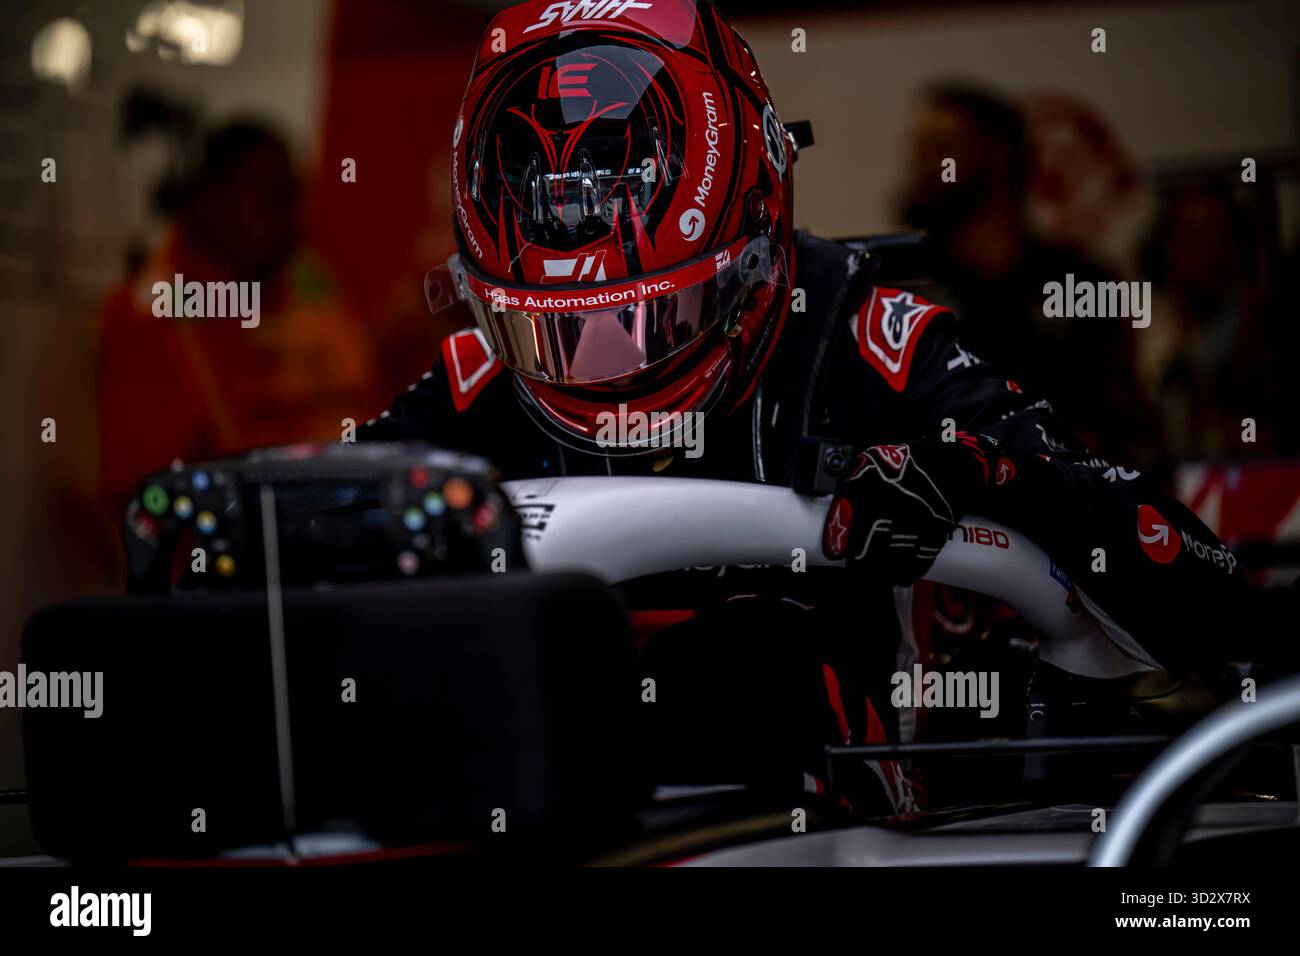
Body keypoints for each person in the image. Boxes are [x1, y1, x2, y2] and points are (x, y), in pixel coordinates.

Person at [361, 0, 1245, 812]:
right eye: (554, 336)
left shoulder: (869, 339)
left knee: (748, 666)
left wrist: (992, 478)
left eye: (648, 320)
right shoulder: (480, 377)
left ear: (754, 243)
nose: (602, 370)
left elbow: (1208, 590)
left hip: (874, 816)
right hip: (557, 807)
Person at [894, 83, 1139, 458]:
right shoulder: (903, 290)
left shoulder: (1083, 283)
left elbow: (1128, 430)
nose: (922, 162)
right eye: (918, 147)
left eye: (941, 146)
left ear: (997, 155)